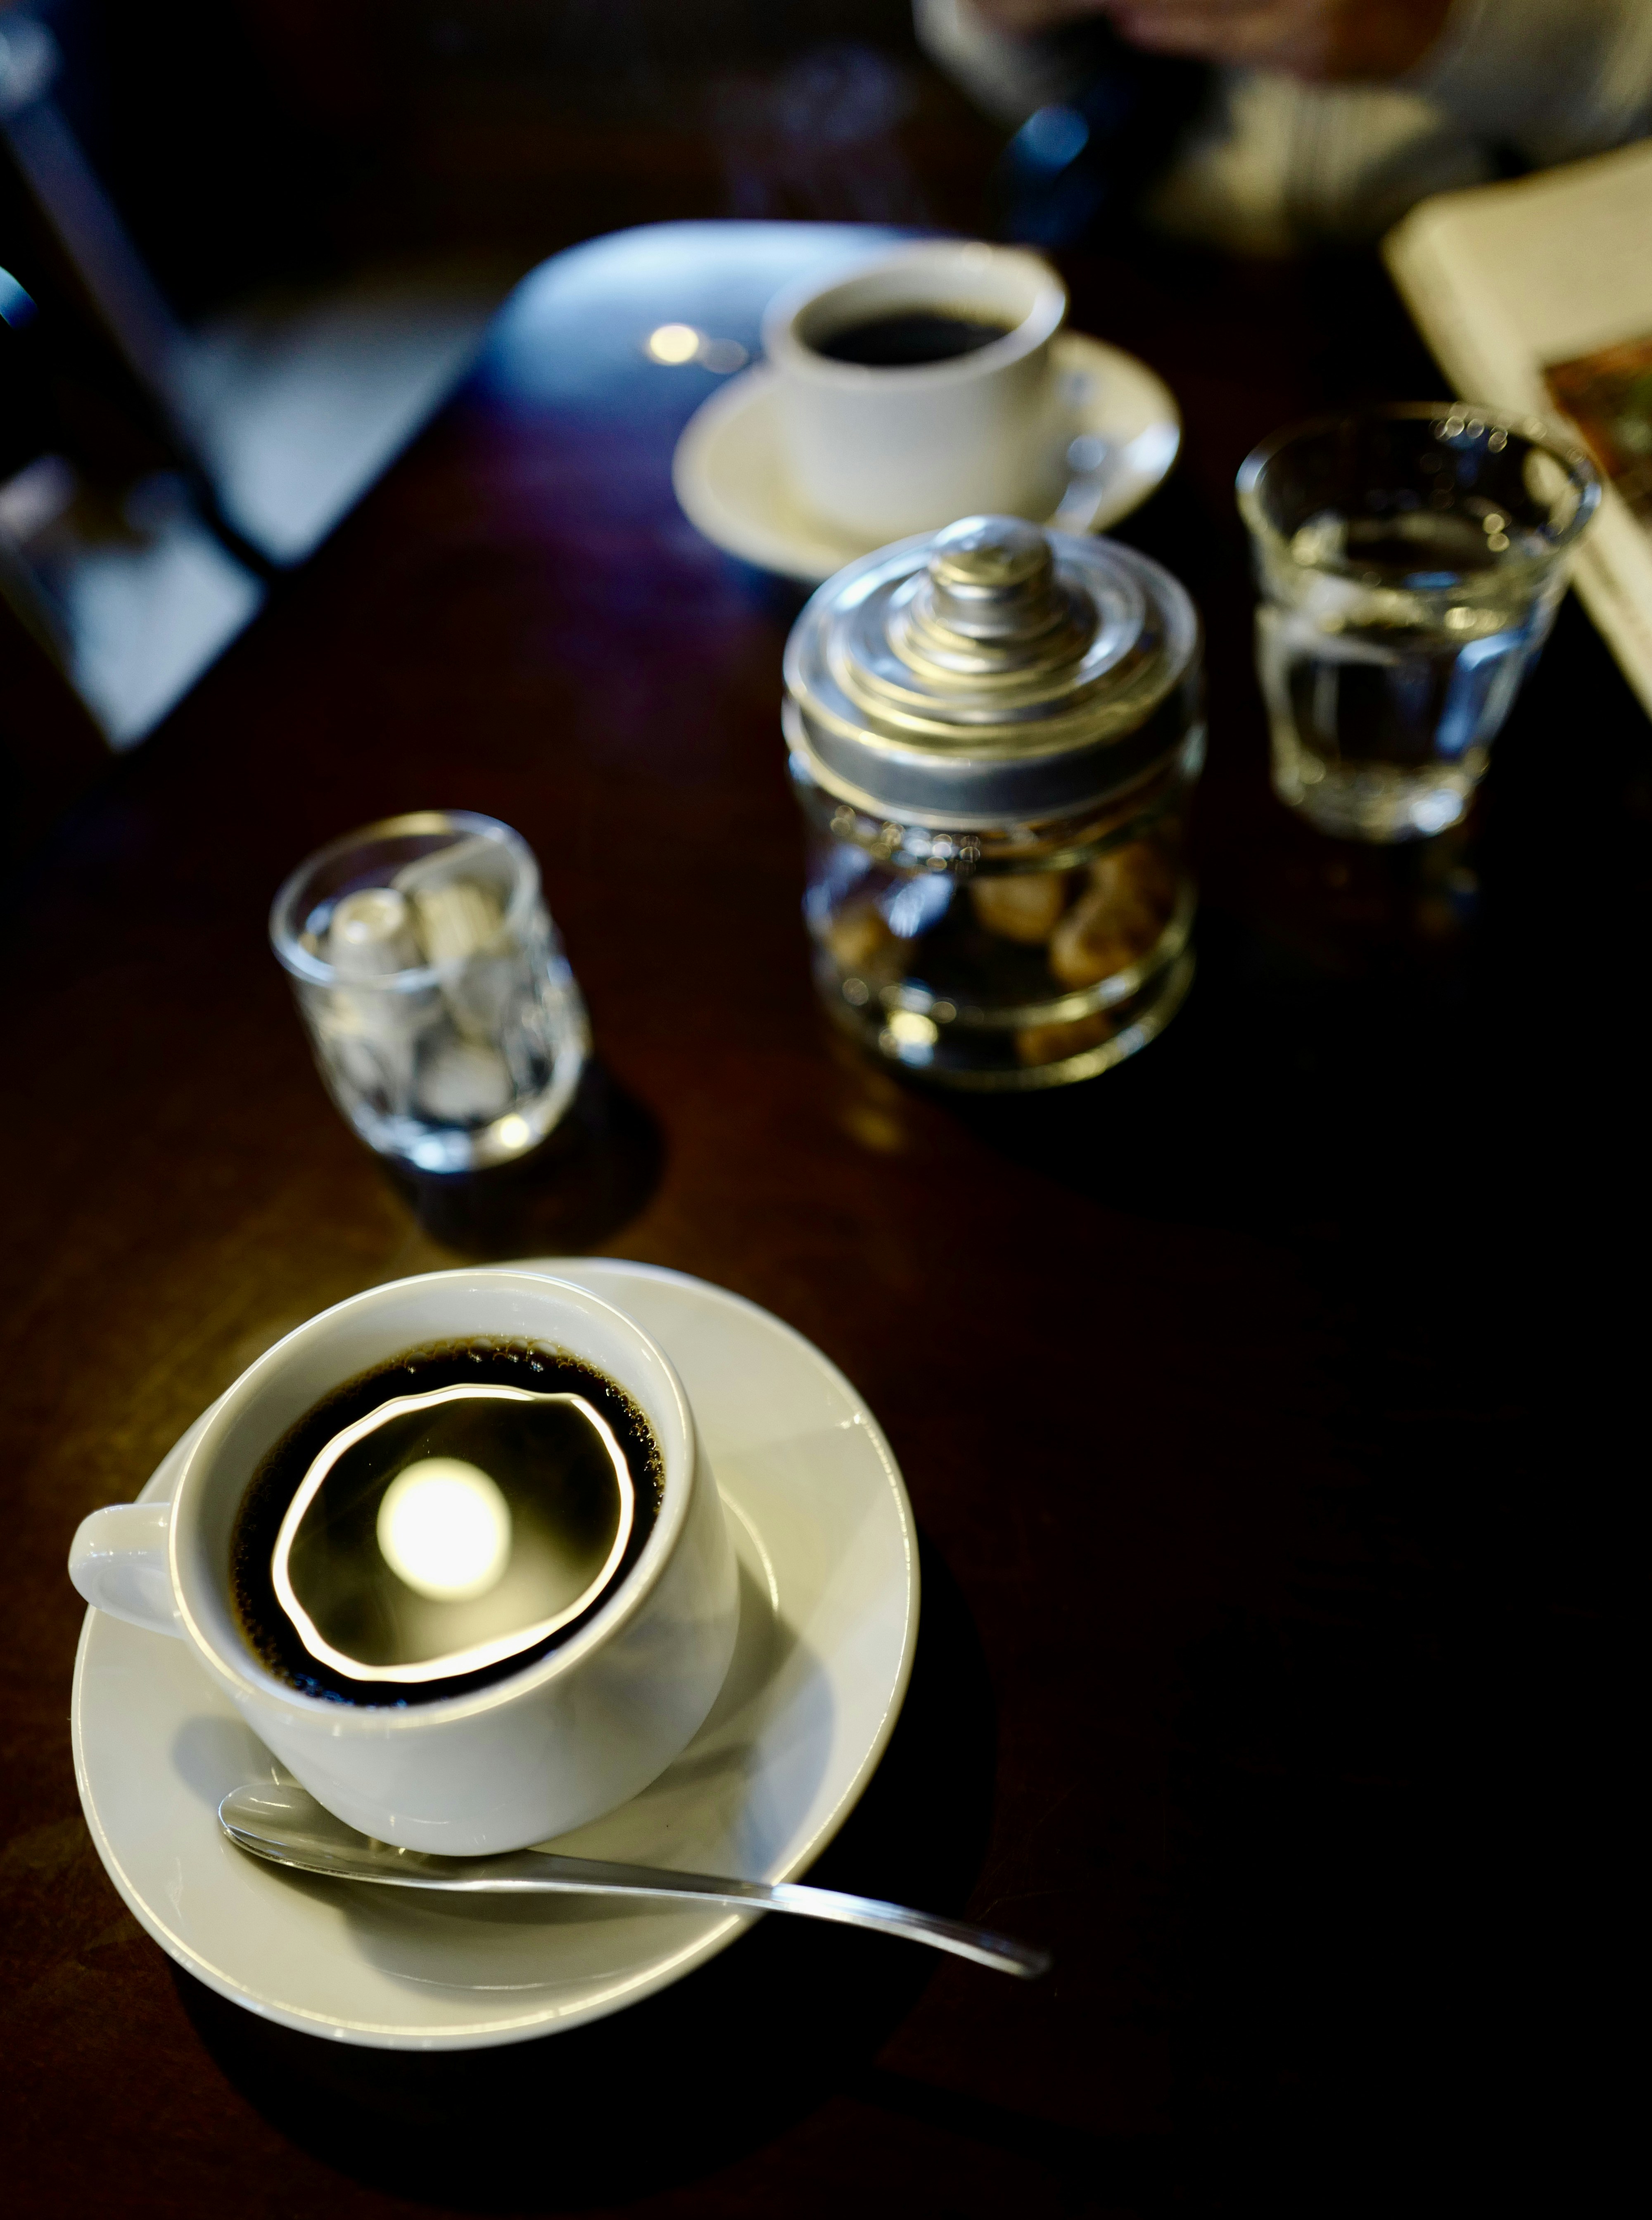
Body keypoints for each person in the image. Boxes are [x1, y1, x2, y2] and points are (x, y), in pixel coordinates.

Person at [916, 0, 1652, 249]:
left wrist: (1446, 36)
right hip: (1138, 256)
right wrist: (1002, 21)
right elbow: (1049, 91)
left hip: (1501, 274)